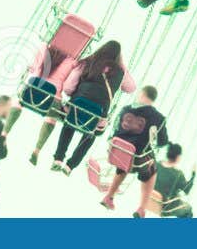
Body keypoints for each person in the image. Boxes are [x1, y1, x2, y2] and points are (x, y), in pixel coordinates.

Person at [50, 40, 136, 173]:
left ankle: (58, 158)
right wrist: (122, 65)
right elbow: (131, 88)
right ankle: (70, 165)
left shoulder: (87, 62)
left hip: (76, 108)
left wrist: (77, 94)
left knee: (69, 123)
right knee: (92, 132)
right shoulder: (119, 72)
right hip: (98, 116)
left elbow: (67, 88)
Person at [88, 86, 167, 214]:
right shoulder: (158, 118)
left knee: (125, 159)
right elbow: (162, 142)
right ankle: (141, 209)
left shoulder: (125, 109)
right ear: (153, 99)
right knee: (152, 169)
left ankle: (109, 196)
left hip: (116, 152)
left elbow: (115, 128)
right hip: (137, 160)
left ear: (141, 94)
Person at [152, 144, 195, 218]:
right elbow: (187, 190)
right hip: (164, 207)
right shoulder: (177, 174)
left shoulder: (157, 164)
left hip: (150, 200)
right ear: (178, 157)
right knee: (188, 209)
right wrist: (193, 175)